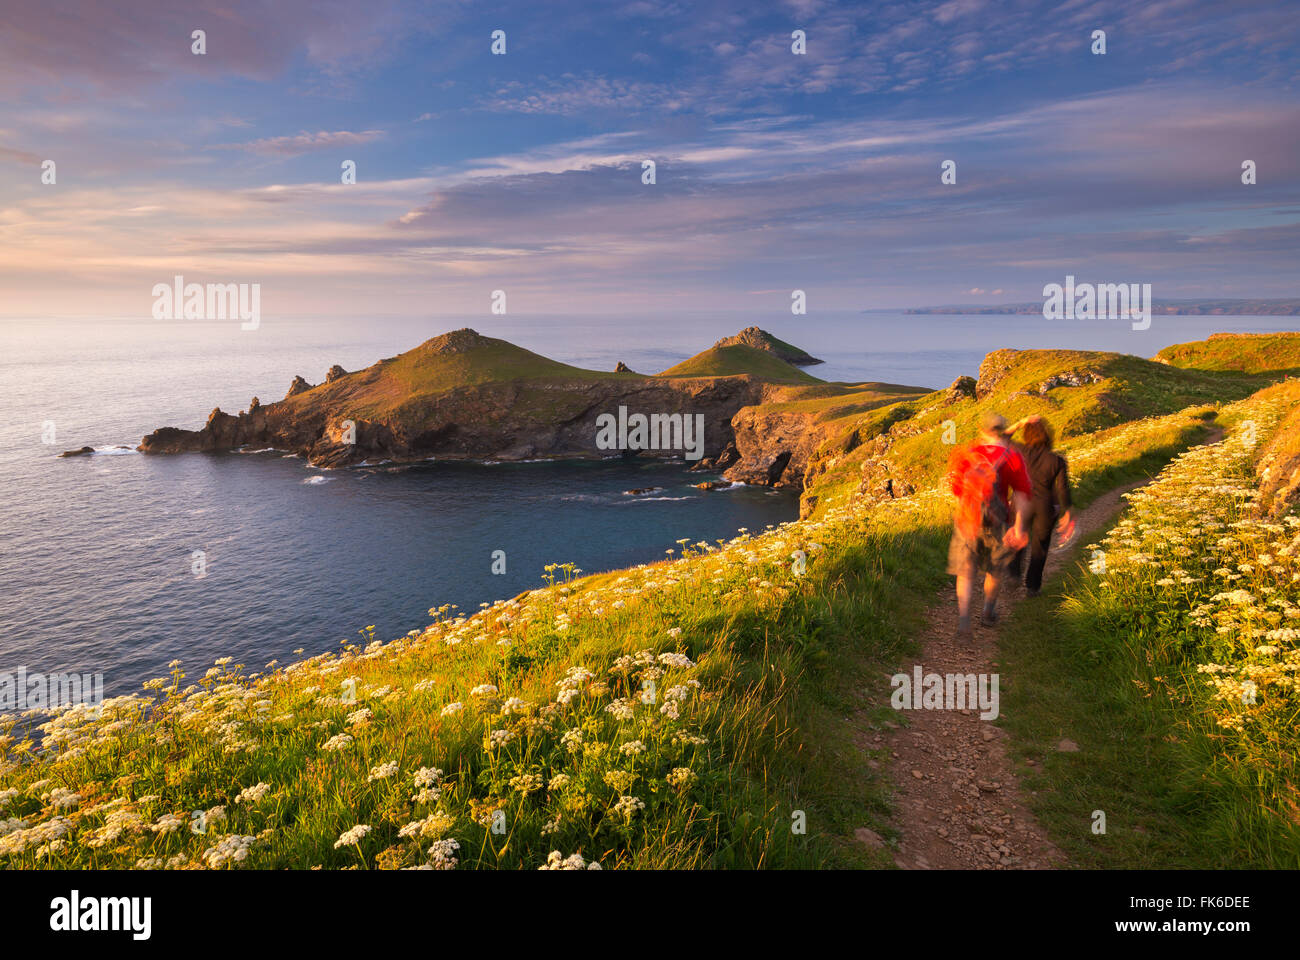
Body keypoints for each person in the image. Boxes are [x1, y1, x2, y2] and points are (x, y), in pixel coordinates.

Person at [946, 412, 1032, 638]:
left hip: (968, 520)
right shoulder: (1012, 456)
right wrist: (1019, 527)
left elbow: (956, 491)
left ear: (980, 429)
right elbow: (1022, 496)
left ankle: (964, 619)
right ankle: (987, 611)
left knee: (966, 570)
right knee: (994, 570)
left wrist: (964, 514)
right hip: (998, 519)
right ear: (1004, 430)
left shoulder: (968, 454)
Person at [1007, 415, 1075, 595]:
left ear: (1027, 435)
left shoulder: (1018, 450)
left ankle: (1014, 573)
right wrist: (1066, 512)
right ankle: (1032, 586)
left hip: (1021, 502)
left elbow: (1002, 437)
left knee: (1018, 534)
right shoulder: (1057, 460)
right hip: (1045, 506)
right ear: (1047, 435)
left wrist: (1020, 422)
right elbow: (1062, 489)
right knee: (1040, 546)